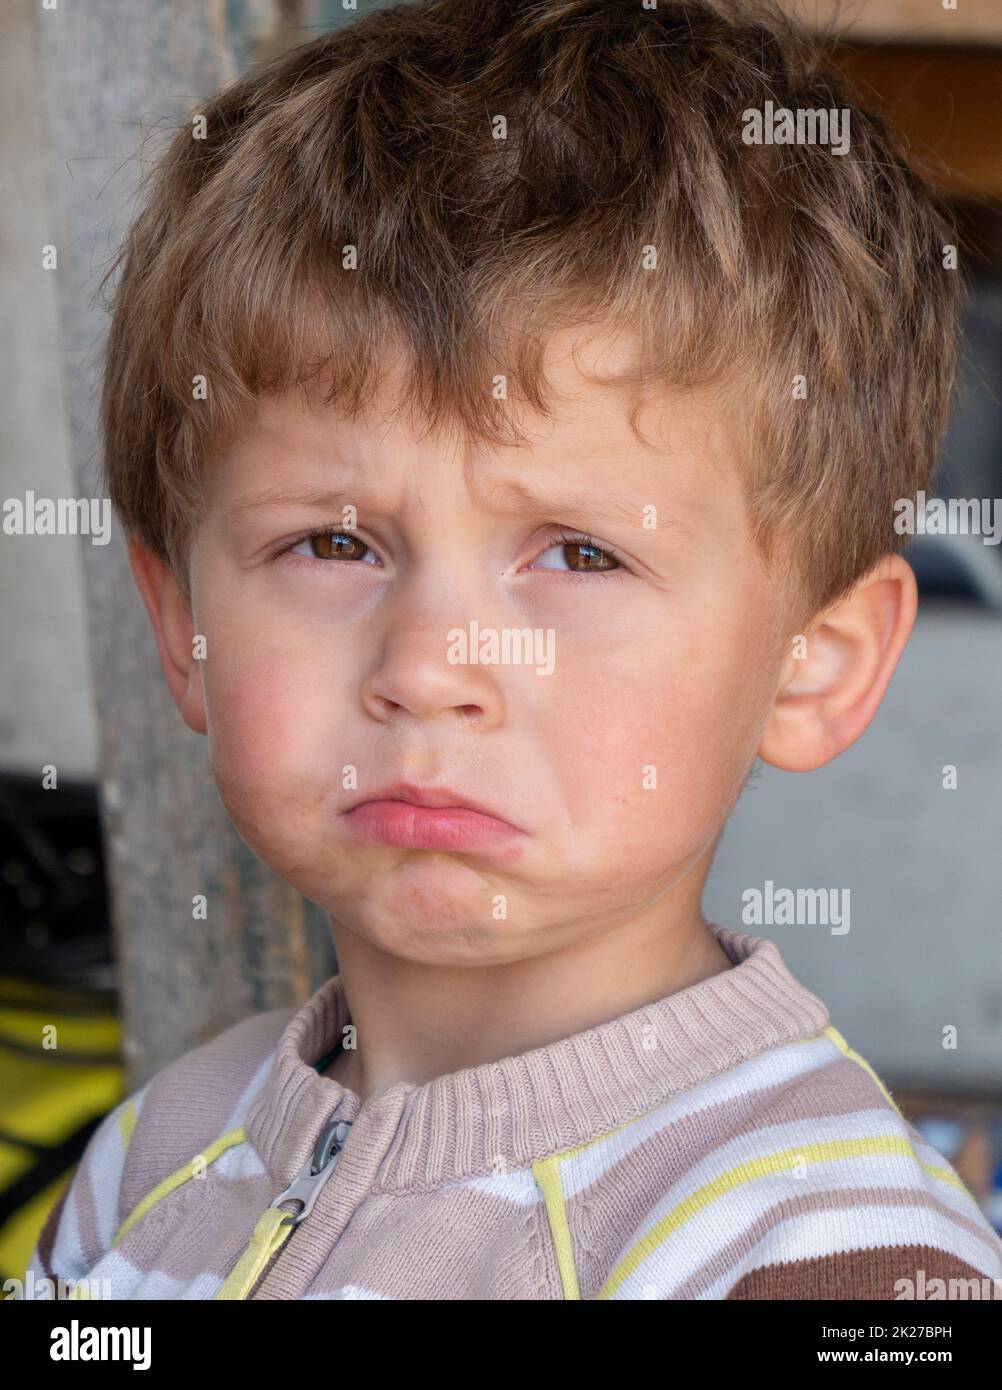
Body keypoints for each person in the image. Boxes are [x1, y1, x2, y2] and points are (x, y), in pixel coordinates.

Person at [27, 0, 1002, 1299]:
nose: (431, 663)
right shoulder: (154, 1158)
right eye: (331, 543)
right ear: (183, 628)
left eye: (580, 554)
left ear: (813, 659)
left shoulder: (823, 1257)